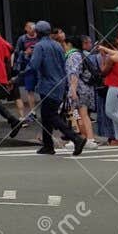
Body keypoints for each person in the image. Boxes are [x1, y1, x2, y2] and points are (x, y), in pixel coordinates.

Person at [29, 21, 86, 156]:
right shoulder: (58, 46)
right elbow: (63, 65)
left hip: (47, 85)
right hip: (59, 84)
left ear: (37, 33)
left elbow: (34, 65)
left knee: (51, 115)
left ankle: (75, 138)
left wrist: (26, 61)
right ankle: (48, 145)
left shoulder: (39, 46)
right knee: (46, 116)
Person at [65, 31, 98, 146]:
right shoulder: (81, 54)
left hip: (78, 89)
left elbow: (74, 74)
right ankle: (89, 139)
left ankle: (77, 138)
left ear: (69, 44)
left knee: (75, 115)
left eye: (65, 44)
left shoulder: (72, 56)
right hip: (86, 89)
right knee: (83, 115)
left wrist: (72, 90)